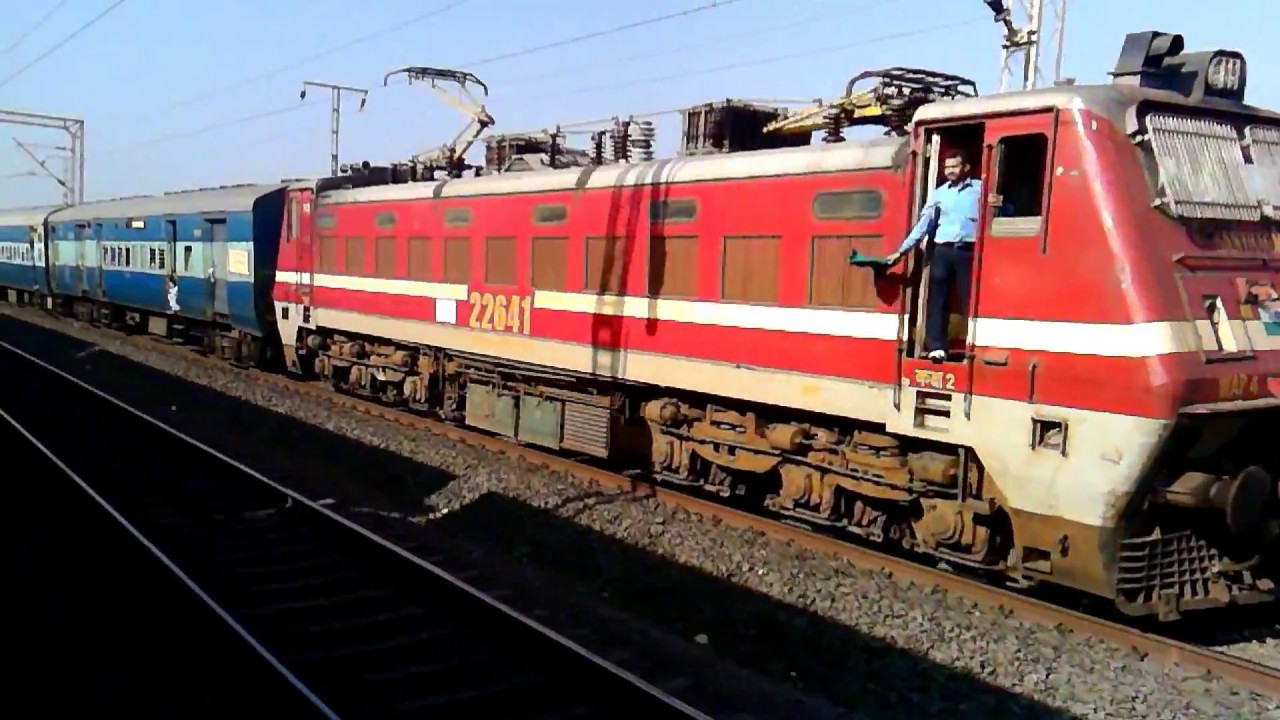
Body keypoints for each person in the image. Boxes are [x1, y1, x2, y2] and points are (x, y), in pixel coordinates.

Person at [887, 149, 982, 362]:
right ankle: (937, 346)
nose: (949, 171)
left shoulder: (980, 190)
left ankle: (971, 342)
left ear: (966, 167)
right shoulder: (939, 194)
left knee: (970, 298)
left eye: (954, 166)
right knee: (937, 299)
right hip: (942, 251)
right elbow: (924, 225)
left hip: (968, 251)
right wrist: (902, 251)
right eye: (947, 167)